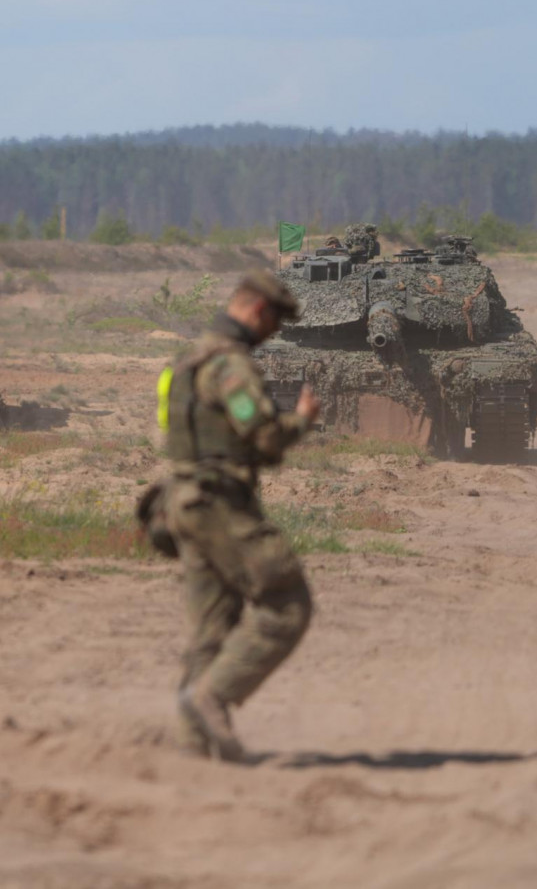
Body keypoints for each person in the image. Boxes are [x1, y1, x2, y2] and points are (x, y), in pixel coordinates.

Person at [153, 269, 319, 762]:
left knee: (211, 630)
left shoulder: (188, 359)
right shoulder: (230, 365)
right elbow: (263, 435)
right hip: (220, 503)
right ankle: (214, 696)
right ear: (258, 310)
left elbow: (169, 431)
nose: (274, 332)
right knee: (286, 603)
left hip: (181, 500)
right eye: (275, 322)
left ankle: (193, 745)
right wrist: (301, 421)